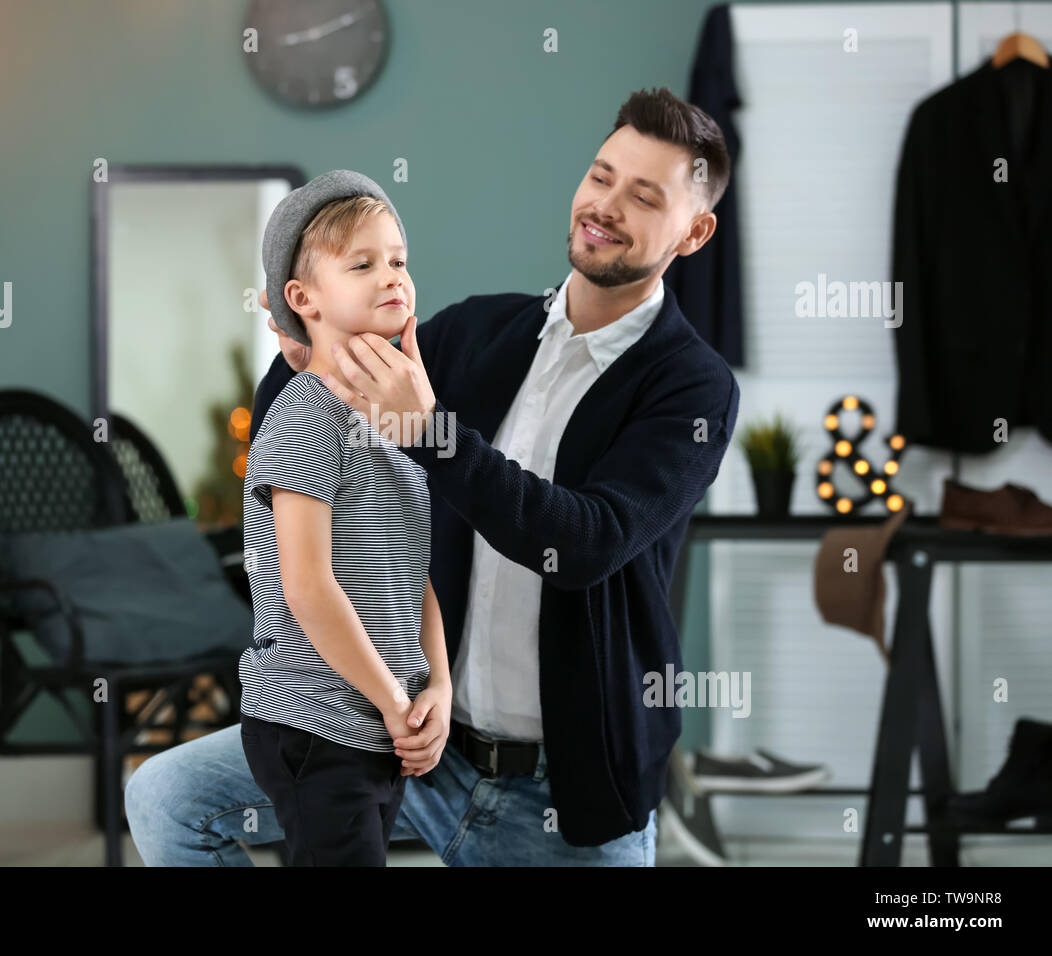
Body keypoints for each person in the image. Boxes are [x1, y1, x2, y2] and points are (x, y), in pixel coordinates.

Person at [126, 86, 740, 866]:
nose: (605, 205)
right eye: (601, 175)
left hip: (559, 798)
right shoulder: (482, 330)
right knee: (167, 797)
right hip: (403, 743)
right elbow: (318, 375)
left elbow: (584, 541)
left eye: (644, 195)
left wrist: (428, 432)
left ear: (694, 231)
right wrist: (304, 344)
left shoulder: (692, 388)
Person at [237, 171, 450, 866]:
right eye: (362, 264)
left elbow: (413, 573)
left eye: (398, 259)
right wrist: (393, 701)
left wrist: (436, 688)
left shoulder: (399, 422)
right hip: (314, 724)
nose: (391, 275)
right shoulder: (305, 412)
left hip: (374, 724)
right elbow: (307, 586)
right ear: (303, 300)